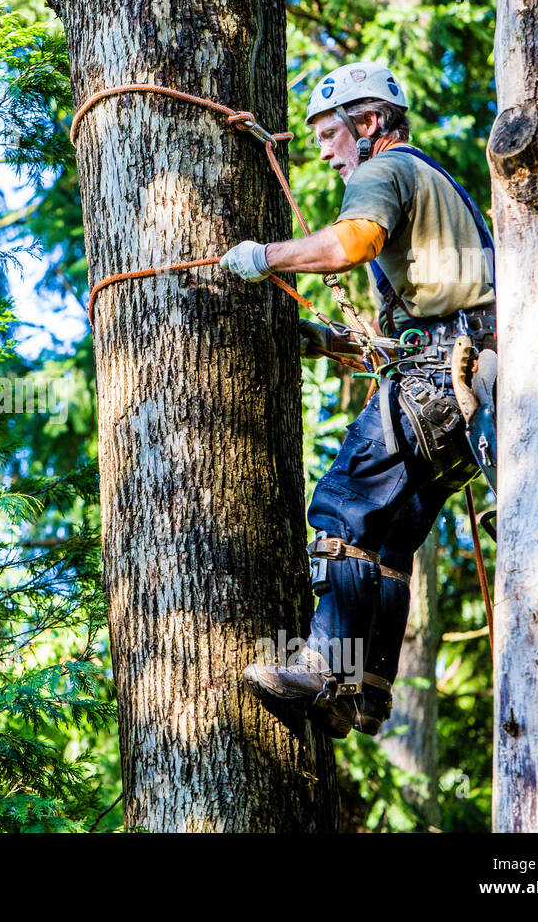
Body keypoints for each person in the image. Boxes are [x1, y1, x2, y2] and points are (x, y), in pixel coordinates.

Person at [219, 61, 497, 738]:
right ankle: (366, 689)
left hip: (439, 377)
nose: (321, 150)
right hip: (474, 390)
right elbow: (425, 317)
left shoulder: (385, 172)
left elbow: (354, 241)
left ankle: (326, 669)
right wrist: (330, 341)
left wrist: (266, 256)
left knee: (344, 512)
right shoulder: (437, 186)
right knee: (389, 540)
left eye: (329, 133)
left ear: (367, 123)